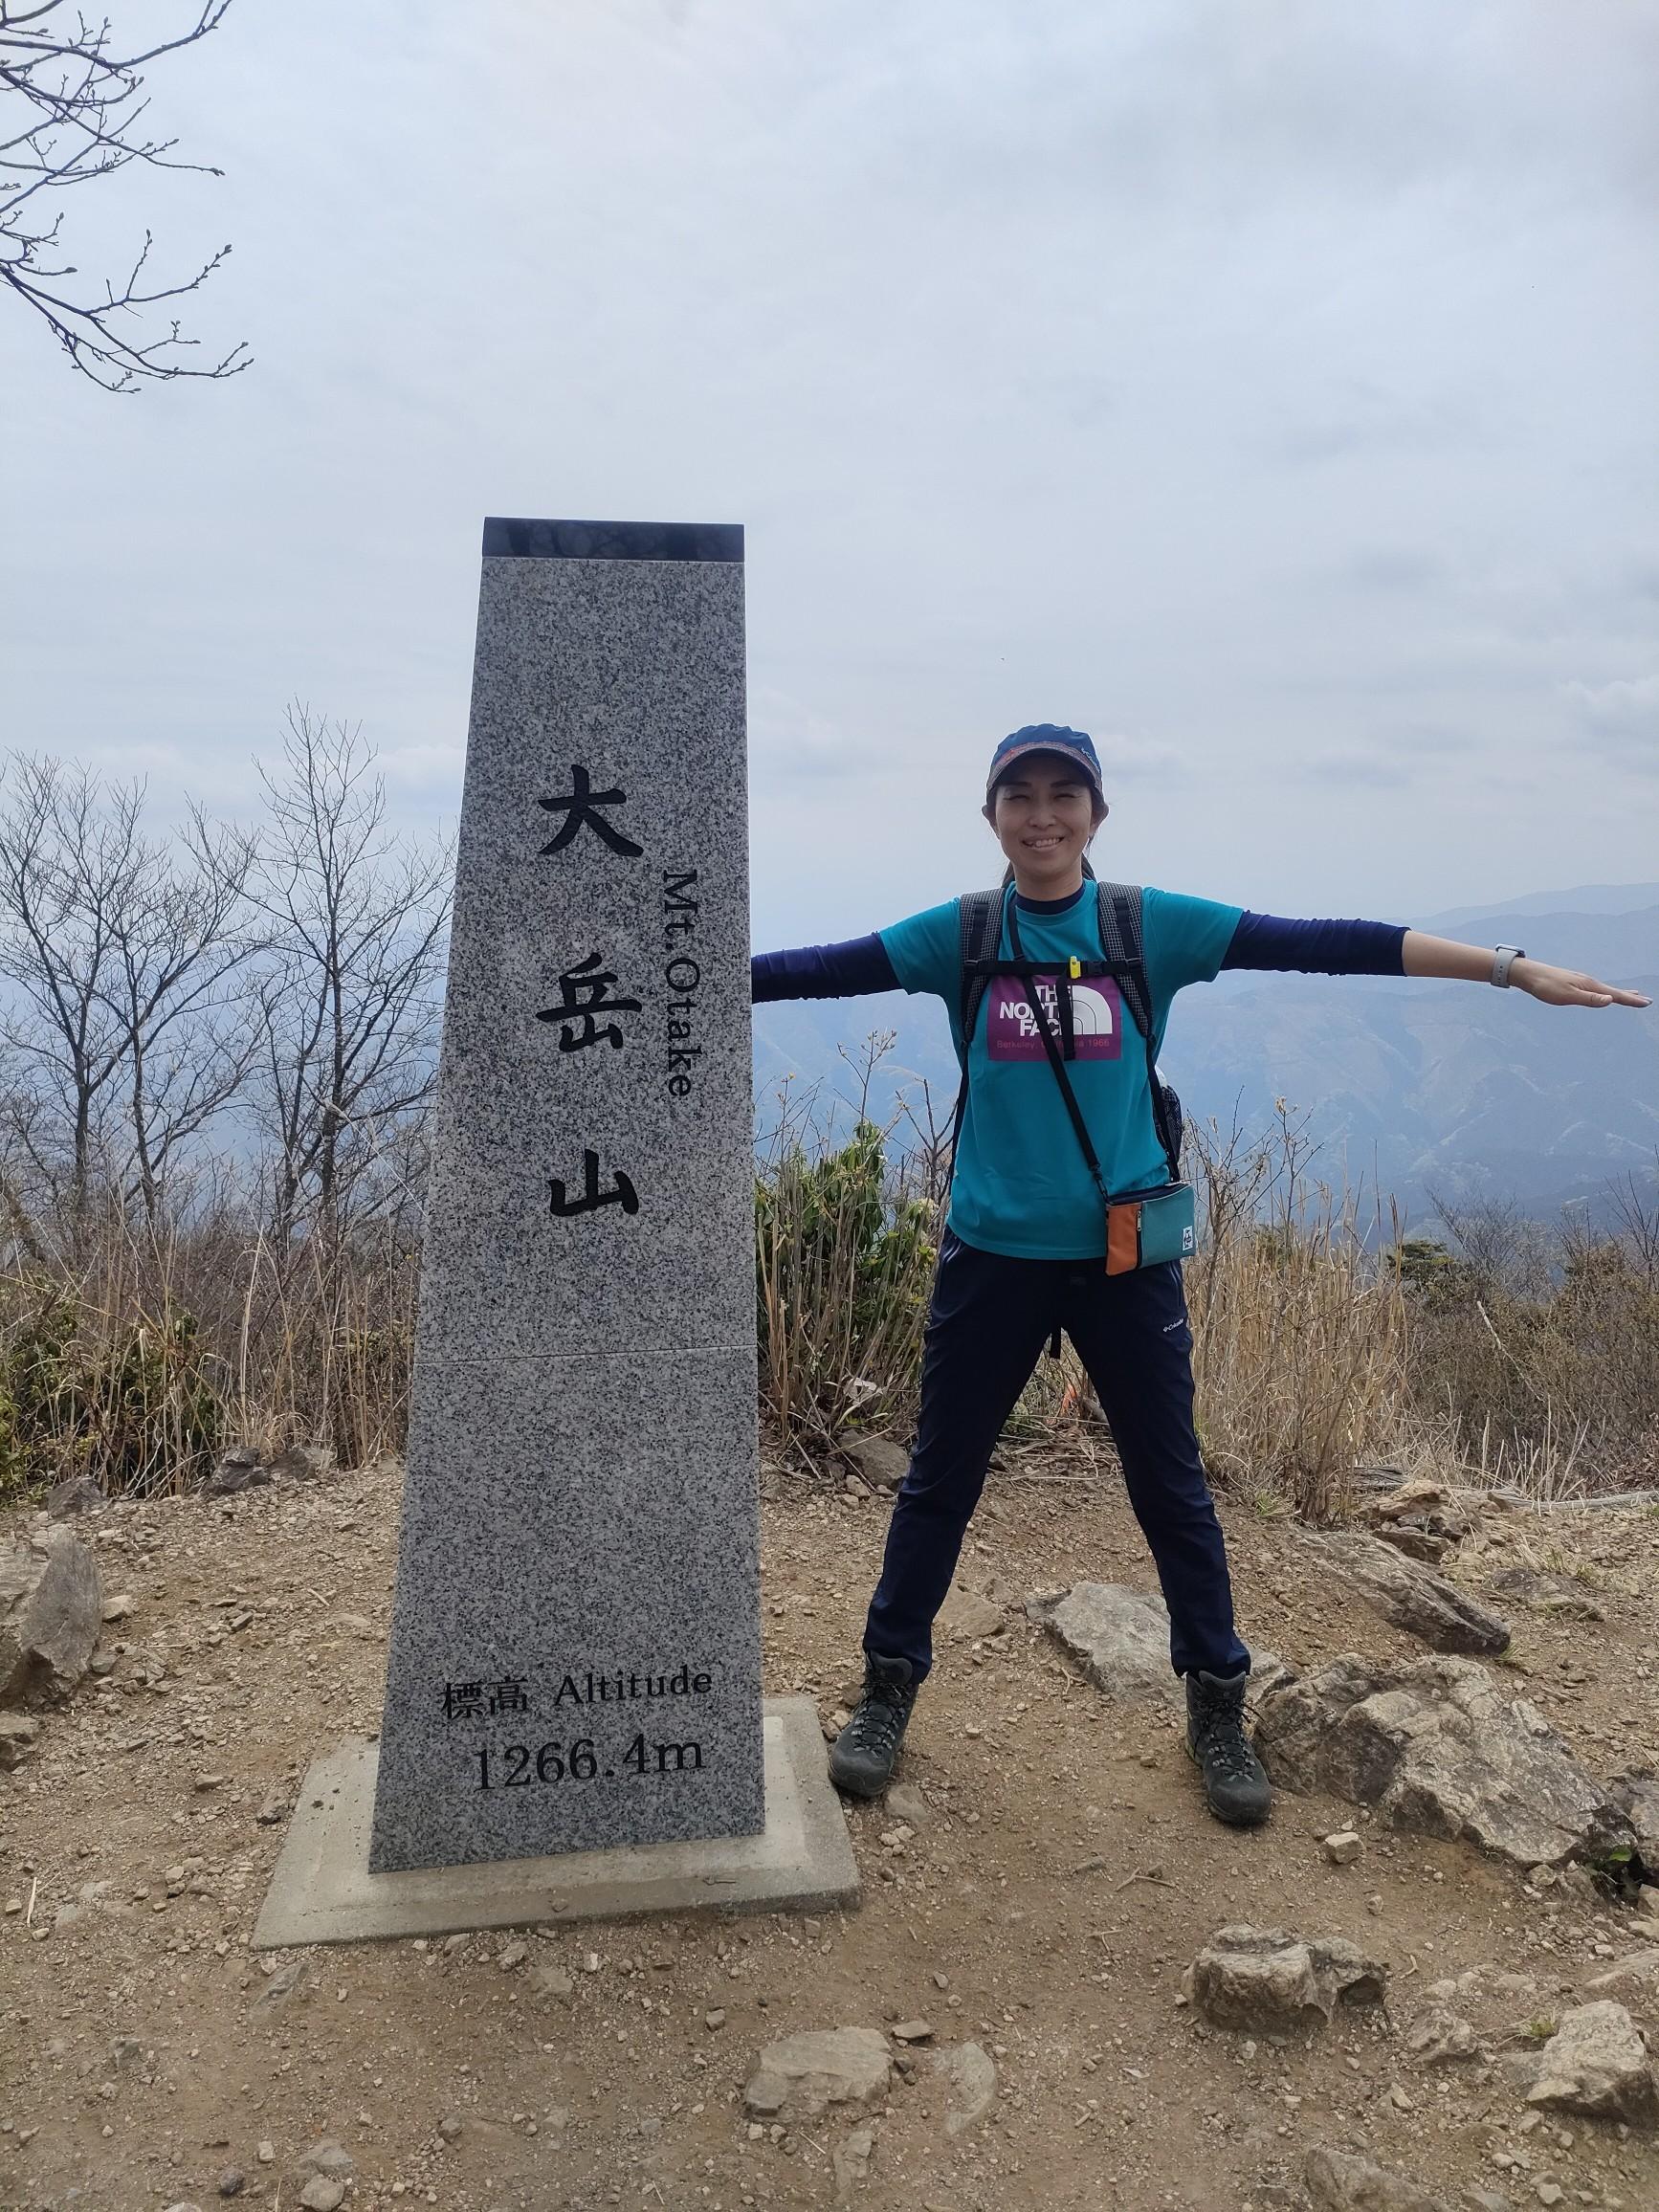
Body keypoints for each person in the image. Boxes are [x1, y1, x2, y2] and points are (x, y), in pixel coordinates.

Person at [750, 724, 1651, 1827]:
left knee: (1171, 1484)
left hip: (1125, 1261)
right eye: (1019, 796)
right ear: (989, 816)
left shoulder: (1140, 925)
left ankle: (1216, 1699)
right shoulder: (965, 937)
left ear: (1097, 813)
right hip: (992, 1256)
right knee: (941, 1479)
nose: (1042, 814)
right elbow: (805, 972)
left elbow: (1325, 942)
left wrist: (1512, 971)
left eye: (1063, 794)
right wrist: (660, 986)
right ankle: (888, 1689)